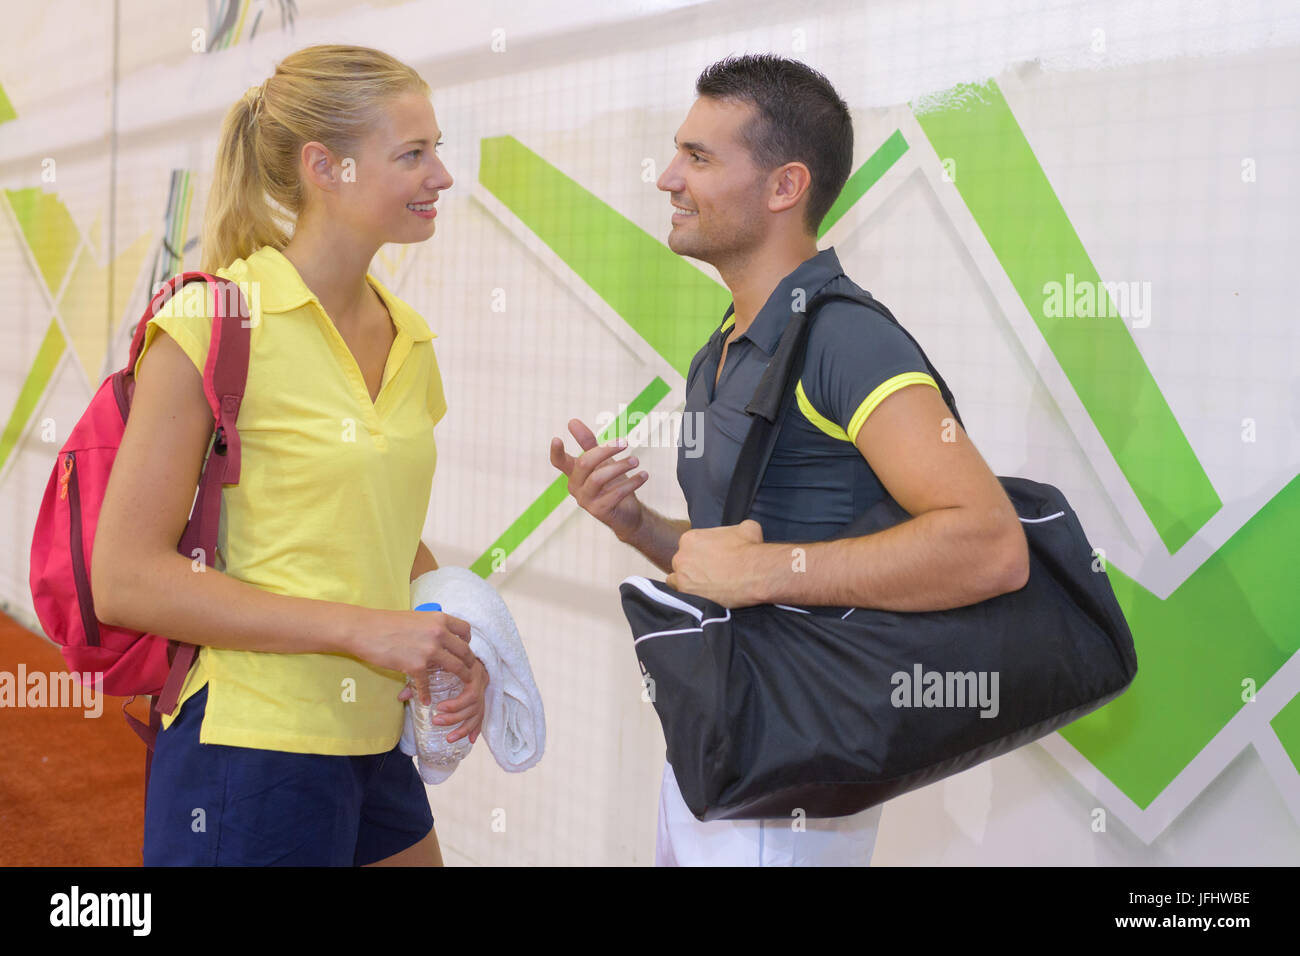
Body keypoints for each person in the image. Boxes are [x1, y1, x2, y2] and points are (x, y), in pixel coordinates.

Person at [550, 53, 1029, 866]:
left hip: (793, 781)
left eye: (699, 158)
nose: (667, 177)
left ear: (784, 187)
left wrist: (770, 572)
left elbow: (991, 546)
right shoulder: (724, 348)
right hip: (713, 750)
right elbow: (726, 558)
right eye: (678, 151)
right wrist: (637, 526)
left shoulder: (847, 338)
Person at [93, 44, 489, 866]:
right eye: (413, 153)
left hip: (374, 736)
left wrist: (451, 643)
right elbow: (125, 577)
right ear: (326, 168)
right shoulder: (210, 324)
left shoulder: (413, 339)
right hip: (249, 746)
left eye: (437, 149)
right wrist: (363, 632)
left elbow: (378, 536)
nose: (441, 176)